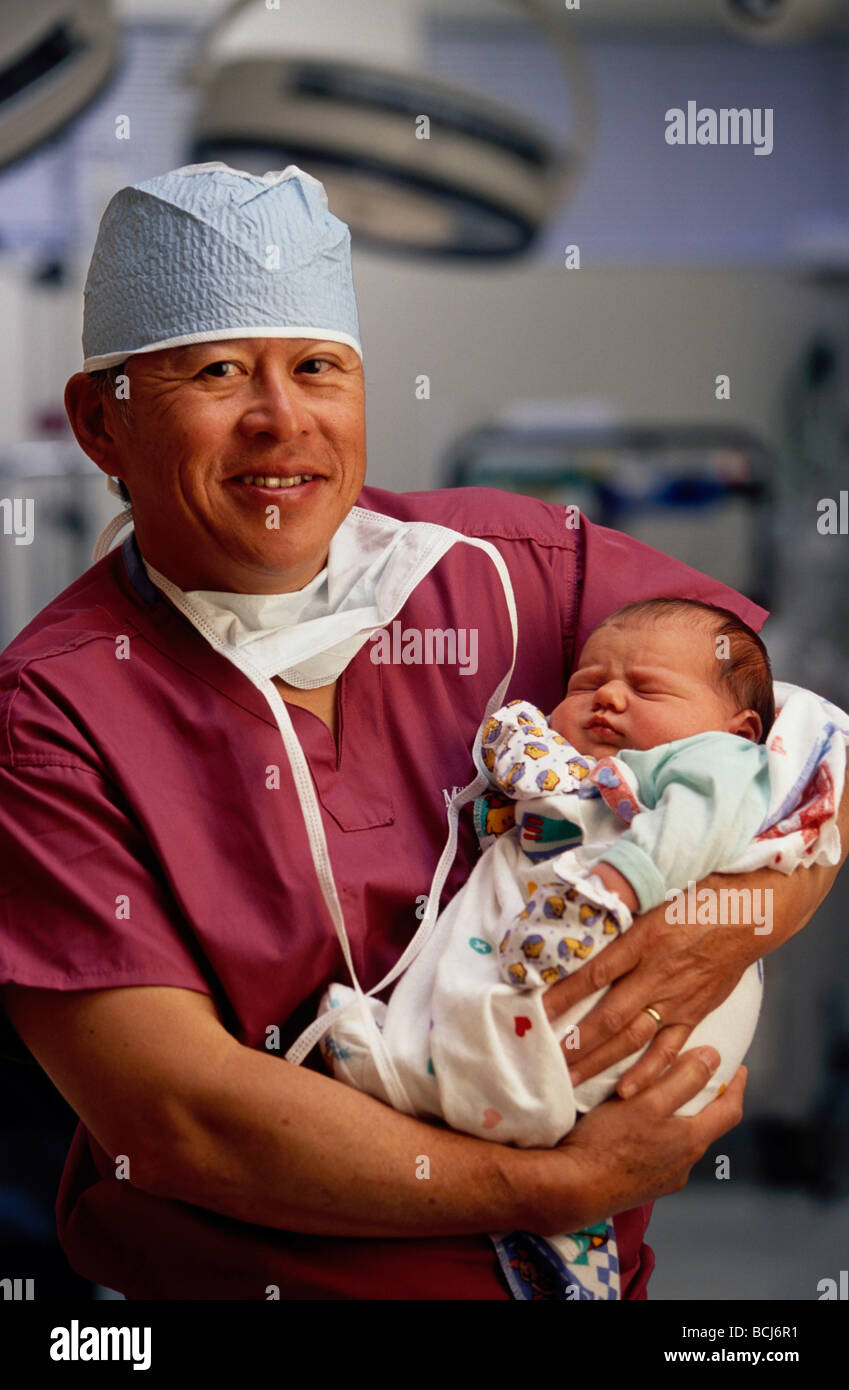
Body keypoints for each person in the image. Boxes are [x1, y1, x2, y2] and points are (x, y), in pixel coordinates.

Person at [0, 162, 846, 1301]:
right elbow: (179, 1117)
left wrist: (730, 914)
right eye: (215, 370)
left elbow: (793, 751)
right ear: (101, 421)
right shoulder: (52, 716)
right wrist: (550, 1184)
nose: (281, 418)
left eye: (318, 368)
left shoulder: (518, 570)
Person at [318, 596, 849, 1298]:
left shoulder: (716, 762)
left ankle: (444, 1090)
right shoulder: (585, 774)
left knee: (540, 1027)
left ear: (740, 728)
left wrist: (619, 881)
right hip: (552, 948)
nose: (608, 697)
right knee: (479, 990)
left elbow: (705, 818)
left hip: (639, 979)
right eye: (583, 685)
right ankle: (461, 1089)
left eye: (647, 688)